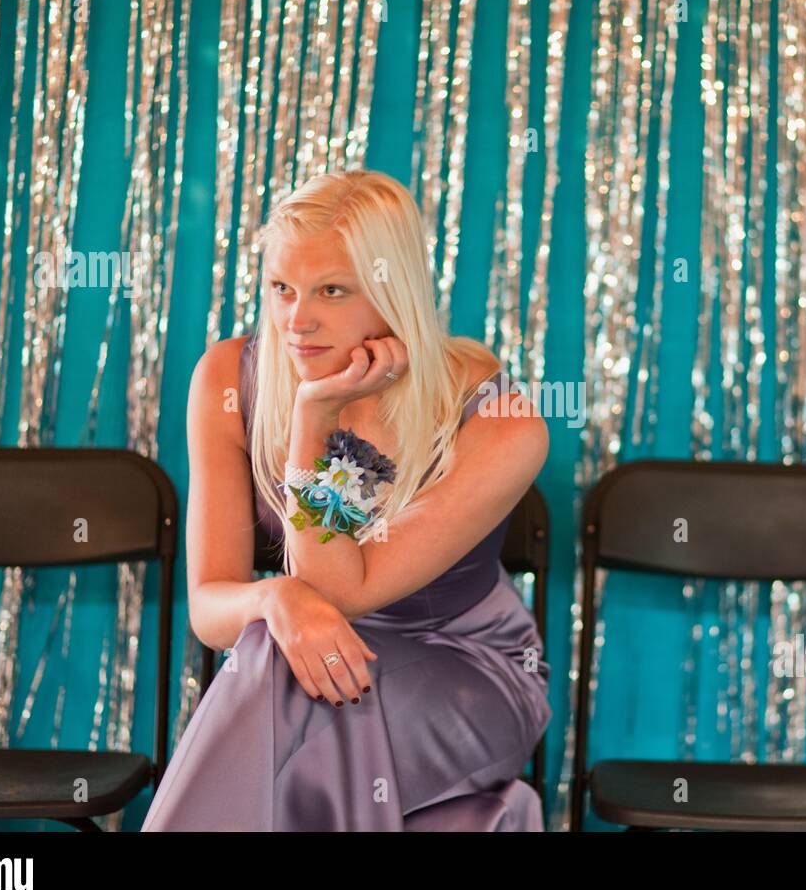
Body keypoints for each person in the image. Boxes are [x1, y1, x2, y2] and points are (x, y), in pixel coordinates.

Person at [141, 170, 552, 831]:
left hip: (465, 667)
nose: (297, 321)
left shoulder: (501, 419)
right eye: (281, 289)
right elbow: (213, 607)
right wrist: (275, 596)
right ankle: (492, 816)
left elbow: (341, 587)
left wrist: (312, 419)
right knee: (273, 641)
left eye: (332, 290)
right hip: (309, 661)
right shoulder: (225, 377)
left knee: (302, 726)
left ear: (394, 292)